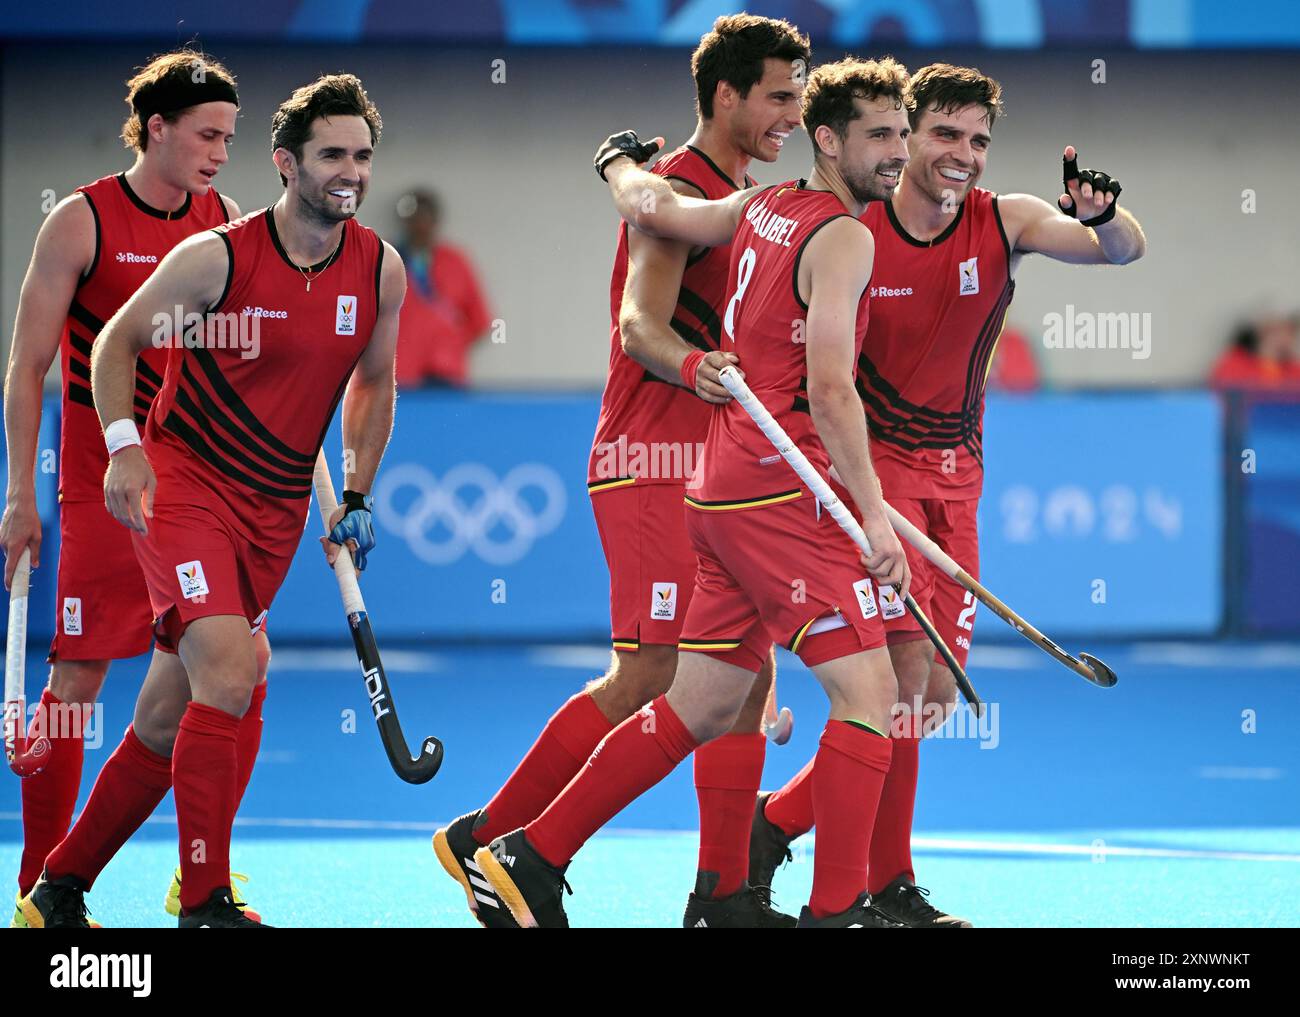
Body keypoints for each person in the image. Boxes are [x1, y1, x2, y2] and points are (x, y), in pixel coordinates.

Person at [475, 56, 916, 929]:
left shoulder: (757, 205)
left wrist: (614, 168)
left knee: (701, 699)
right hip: (777, 499)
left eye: (903, 132)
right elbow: (831, 390)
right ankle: (838, 911)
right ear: (831, 142)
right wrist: (874, 516)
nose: (896, 152)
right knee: (871, 702)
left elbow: (656, 208)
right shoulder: (846, 235)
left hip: (718, 490)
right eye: (880, 135)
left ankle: (532, 853)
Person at [432, 13, 810, 929]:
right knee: (648, 677)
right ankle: (493, 839)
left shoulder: (731, 191)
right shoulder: (679, 188)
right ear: (725, 94)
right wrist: (701, 369)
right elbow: (639, 329)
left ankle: (725, 892)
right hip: (649, 457)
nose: (793, 115)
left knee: (745, 677)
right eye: (778, 95)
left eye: (802, 98)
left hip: (711, 465)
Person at [748, 63, 1147, 927]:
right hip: (874, 477)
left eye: (977, 141)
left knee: (922, 703)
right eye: (941, 135)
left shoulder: (1005, 221)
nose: (960, 155)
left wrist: (1104, 217)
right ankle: (879, 884)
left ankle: (775, 824)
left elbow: (1123, 252)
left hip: (958, 480)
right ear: (902, 136)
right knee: (894, 686)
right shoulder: (853, 231)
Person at [19, 72, 406, 928]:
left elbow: (373, 386)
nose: (351, 171)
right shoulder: (217, 255)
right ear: (286, 162)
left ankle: (58, 888)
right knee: (232, 669)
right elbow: (113, 343)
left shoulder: (379, 268)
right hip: (186, 486)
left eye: (364, 156)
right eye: (332, 154)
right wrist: (122, 447)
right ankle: (205, 901)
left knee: (165, 714)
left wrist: (353, 491)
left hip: (274, 512)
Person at [0, 48, 270, 928]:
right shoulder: (80, 222)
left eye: (230, 137)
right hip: (100, 491)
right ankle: (43, 884)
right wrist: (18, 494)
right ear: (156, 128)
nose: (222, 153)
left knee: (237, 672)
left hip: (198, 490)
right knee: (77, 683)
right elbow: (26, 367)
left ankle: (204, 875)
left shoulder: (225, 220)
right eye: (207, 134)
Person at [392, 189, 492, 388]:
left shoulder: (456, 262)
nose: (419, 225)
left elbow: (480, 321)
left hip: (447, 375)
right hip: (399, 376)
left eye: (424, 217)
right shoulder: (386, 259)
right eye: (413, 218)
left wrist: (448, 343)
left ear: (435, 220)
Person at [1209, 315, 1300, 390]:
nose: (1285, 339)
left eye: (1290, 333)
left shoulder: (1295, 370)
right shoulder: (1233, 364)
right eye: (1277, 332)